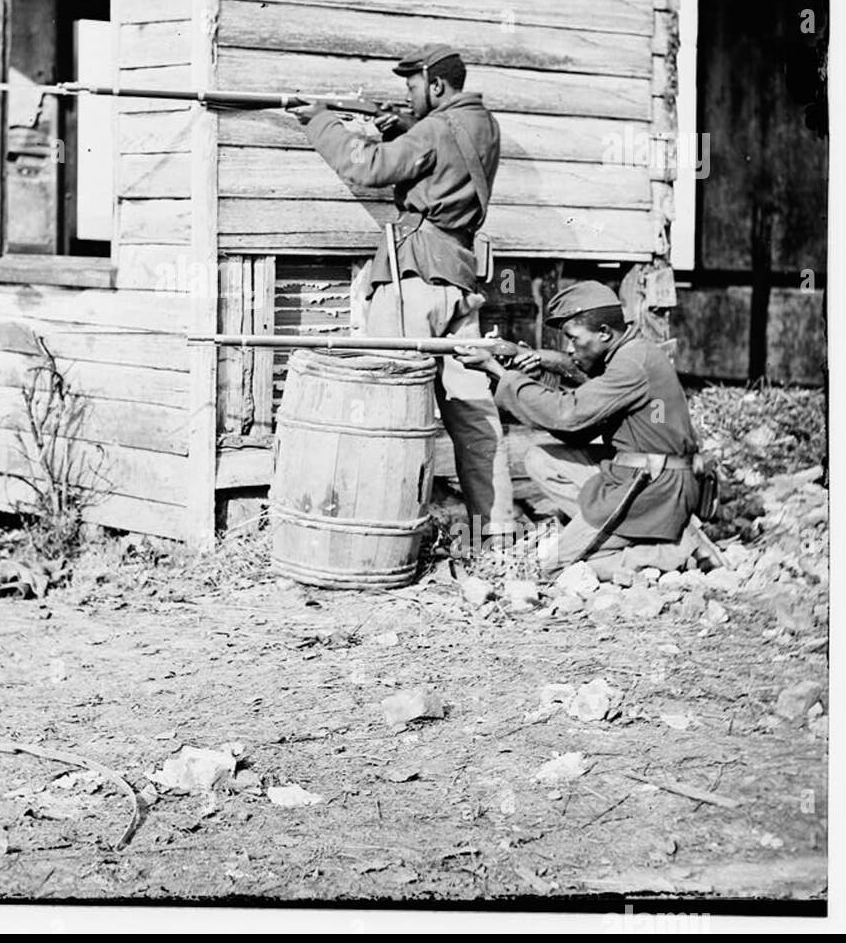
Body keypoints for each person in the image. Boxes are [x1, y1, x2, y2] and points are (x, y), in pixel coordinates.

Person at [293, 44, 515, 546]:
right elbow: (443, 165)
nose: (409, 97)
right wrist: (405, 131)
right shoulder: (482, 124)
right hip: (460, 283)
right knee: (473, 410)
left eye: (413, 87)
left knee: (387, 405)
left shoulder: (434, 129)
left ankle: (380, 536)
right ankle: (497, 536)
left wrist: (322, 122)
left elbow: (365, 168)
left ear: (436, 86)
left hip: (413, 280)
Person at [454, 281, 702, 575]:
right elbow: (579, 430)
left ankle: (672, 551)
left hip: (653, 489)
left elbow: (567, 415)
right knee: (540, 459)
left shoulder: (631, 363)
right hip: (637, 476)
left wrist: (498, 371)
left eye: (574, 339)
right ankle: (632, 533)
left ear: (605, 333)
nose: (569, 348)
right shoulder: (630, 354)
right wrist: (535, 374)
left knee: (552, 567)